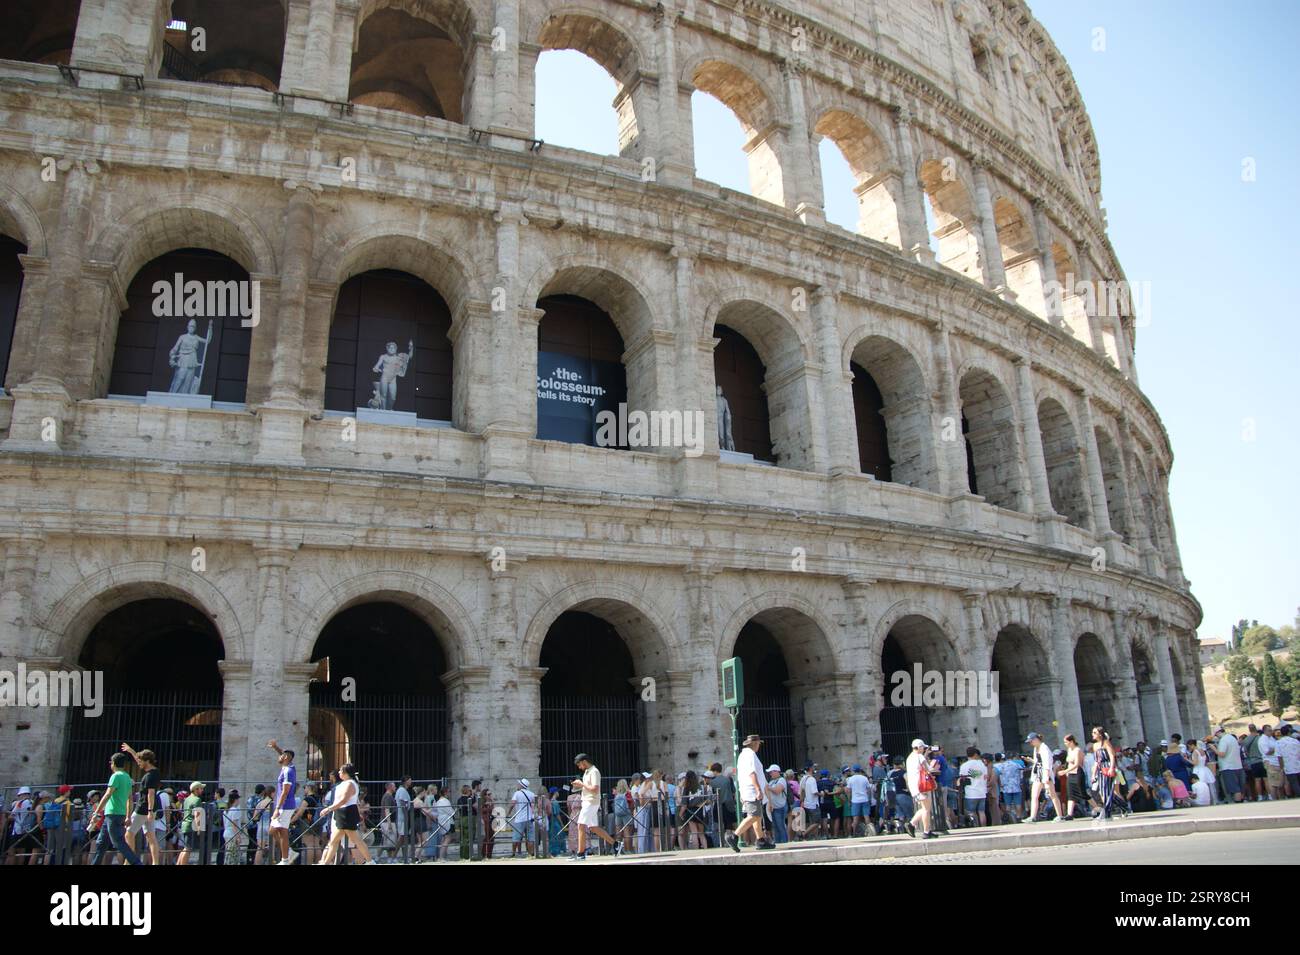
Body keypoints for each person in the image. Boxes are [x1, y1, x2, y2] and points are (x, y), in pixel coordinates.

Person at [89, 751, 143, 866]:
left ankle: (137, 863)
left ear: (113, 763)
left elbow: (108, 795)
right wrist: (128, 816)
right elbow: (130, 799)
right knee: (101, 843)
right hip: (119, 814)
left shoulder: (115, 776)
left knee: (119, 842)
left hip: (112, 814)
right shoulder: (128, 777)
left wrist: (96, 812)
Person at [316, 763, 375, 865]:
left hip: (347, 813)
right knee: (334, 841)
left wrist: (329, 809)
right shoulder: (344, 783)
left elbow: (344, 800)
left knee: (356, 840)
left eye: (340, 771)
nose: (338, 772)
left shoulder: (350, 784)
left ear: (345, 772)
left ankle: (370, 861)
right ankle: (325, 863)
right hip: (341, 813)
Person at [725, 734, 772, 851]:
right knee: (754, 815)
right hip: (752, 790)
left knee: (757, 816)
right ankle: (734, 836)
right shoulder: (751, 755)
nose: (759, 746)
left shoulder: (742, 755)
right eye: (758, 744)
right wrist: (758, 789)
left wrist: (741, 791)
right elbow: (752, 773)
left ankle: (760, 840)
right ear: (755, 744)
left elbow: (741, 775)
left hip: (746, 789)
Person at [571, 753, 622, 860]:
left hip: (591, 801)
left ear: (584, 762)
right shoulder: (587, 772)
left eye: (579, 765)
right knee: (593, 827)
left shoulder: (594, 771)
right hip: (588, 801)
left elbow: (595, 789)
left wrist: (581, 784)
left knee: (581, 825)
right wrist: (579, 786)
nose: (579, 767)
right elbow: (589, 788)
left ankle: (580, 854)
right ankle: (616, 844)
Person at [121, 743, 164, 865]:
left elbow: (150, 794)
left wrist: (149, 811)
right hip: (149, 809)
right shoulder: (154, 772)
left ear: (147, 761)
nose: (138, 762)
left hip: (143, 808)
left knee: (129, 833)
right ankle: (155, 863)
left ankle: (130, 861)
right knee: (151, 837)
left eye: (140, 761)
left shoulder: (150, 776)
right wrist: (131, 751)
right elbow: (139, 760)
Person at [266, 739, 299, 864]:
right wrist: (276, 748)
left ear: (285, 757)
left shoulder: (288, 771)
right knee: (275, 830)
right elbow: (284, 754)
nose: (278, 757)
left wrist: (277, 809)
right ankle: (288, 853)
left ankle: (286, 858)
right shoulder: (289, 766)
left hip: (284, 806)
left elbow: (285, 791)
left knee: (280, 831)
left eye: (281, 755)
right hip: (284, 805)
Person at [1026, 732, 1066, 823]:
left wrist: (1046, 776)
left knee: (1052, 795)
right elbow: (1038, 761)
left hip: (1045, 773)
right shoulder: (1036, 748)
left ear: (1036, 740)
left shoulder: (1044, 748)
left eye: (1031, 741)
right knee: (1034, 795)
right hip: (1038, 774)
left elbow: (1047, 763)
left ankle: (1060, 815)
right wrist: (1031, 760)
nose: (1030, 743)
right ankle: (1032, 817)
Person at [905, 739, 938, 839]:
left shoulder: (909, 757)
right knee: (926, 809)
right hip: (922, 786)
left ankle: (911, 824)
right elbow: (929, 769)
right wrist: (934, 765)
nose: (924, 749)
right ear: (919, 747)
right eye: (923, 747)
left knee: (924, 808)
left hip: (914, 786)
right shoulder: (919, 756)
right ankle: (926, 831)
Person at [1090, 727, 1118, 820]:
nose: (1092, 734)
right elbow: (1096, 761)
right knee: (1102, 791)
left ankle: (1107, 813)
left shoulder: (1106, 743)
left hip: (1107, 766)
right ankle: (1124, 807)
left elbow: (1112, 756)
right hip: (1100, 769)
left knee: (1105, 791)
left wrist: (1111, 768)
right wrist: (1093, 774)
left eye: (1095, 732)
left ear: (1100, 734)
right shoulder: (1094, 746)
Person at [1213, 725, 1246, 803]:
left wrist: (1214, 748)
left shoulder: (1223, 740)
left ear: (1218, 732)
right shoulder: (1232, 738)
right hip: (1237, 765)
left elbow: (1222, 754)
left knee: (1235, 789)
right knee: (1239, 787)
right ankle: (1241, 801)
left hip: (1228, 767)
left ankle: (1238, 804)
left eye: (1216, 734)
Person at [177, 781, 206, 865]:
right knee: (188, 849)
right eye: (201, 788)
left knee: (185, 848)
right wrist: (199, 828)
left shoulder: (187, 799)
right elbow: (197, 815)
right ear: (196, 789)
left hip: (185, 825)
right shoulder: (197, 800)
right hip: (191, 826)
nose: (202, 790)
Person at [958, 747, 988, 827]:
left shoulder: (964, 766)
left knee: (971, 812)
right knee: (982, 812)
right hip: (982, 792)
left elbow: (962, 778)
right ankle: (983, 827)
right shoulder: (982, 764)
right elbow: (986, 776)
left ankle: (976, 826)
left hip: (970, 792)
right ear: (975, 754)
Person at [1060, 734, 1087, 820]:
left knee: (1083, 793)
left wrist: (1065, 771)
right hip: (1070, 774)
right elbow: (1069, 763)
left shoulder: (1077, 750)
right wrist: (1067, 771)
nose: (1065, 743)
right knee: (1070, 794)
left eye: (1066, 742)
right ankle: (1069, 814)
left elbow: (1077, 764)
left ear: (1071, 741)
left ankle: (1097, 808)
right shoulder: (1069, 750)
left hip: (1077, 773)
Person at [510, 779, 536, 858]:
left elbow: (512, 804)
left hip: (519, 819)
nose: (518, 785)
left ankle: (513, 853)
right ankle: (531, 853)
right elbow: (533, 806)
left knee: (516, 837)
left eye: (519, 784)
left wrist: (508, 812)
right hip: (529, 818)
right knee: (530, 837)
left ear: (521, 785)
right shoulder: (532, 794)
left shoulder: (517, 793)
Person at [766, 765, 789, 843]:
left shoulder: (781, 780)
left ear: (776, 771)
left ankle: (784, 842)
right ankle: (778, 842)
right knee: (775, 826)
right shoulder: (771, 781)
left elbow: (777, 790)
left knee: (780, 825)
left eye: (771, 772)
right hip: (774, 807)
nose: (770, 774)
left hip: (780, 806)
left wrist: (768, 788)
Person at [1276, 725, 1300, 797]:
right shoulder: (1295, 741)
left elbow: (1279, 757)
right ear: (1289, 732)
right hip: (1298, 764)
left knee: (1294, 783)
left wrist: (1281, 767)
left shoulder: (1278, 743)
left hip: (1288, 766)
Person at [799, 765, 822, 838]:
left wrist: (802, 801)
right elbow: (814, 792)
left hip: (806, 803)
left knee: (811, 821)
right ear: (811, 768)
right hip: (813, 803)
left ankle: (814, 836)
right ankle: (804, 834)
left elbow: (801, 791)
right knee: (817, 821)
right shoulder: (812, 779)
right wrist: (821, 794)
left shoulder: (803, 779)